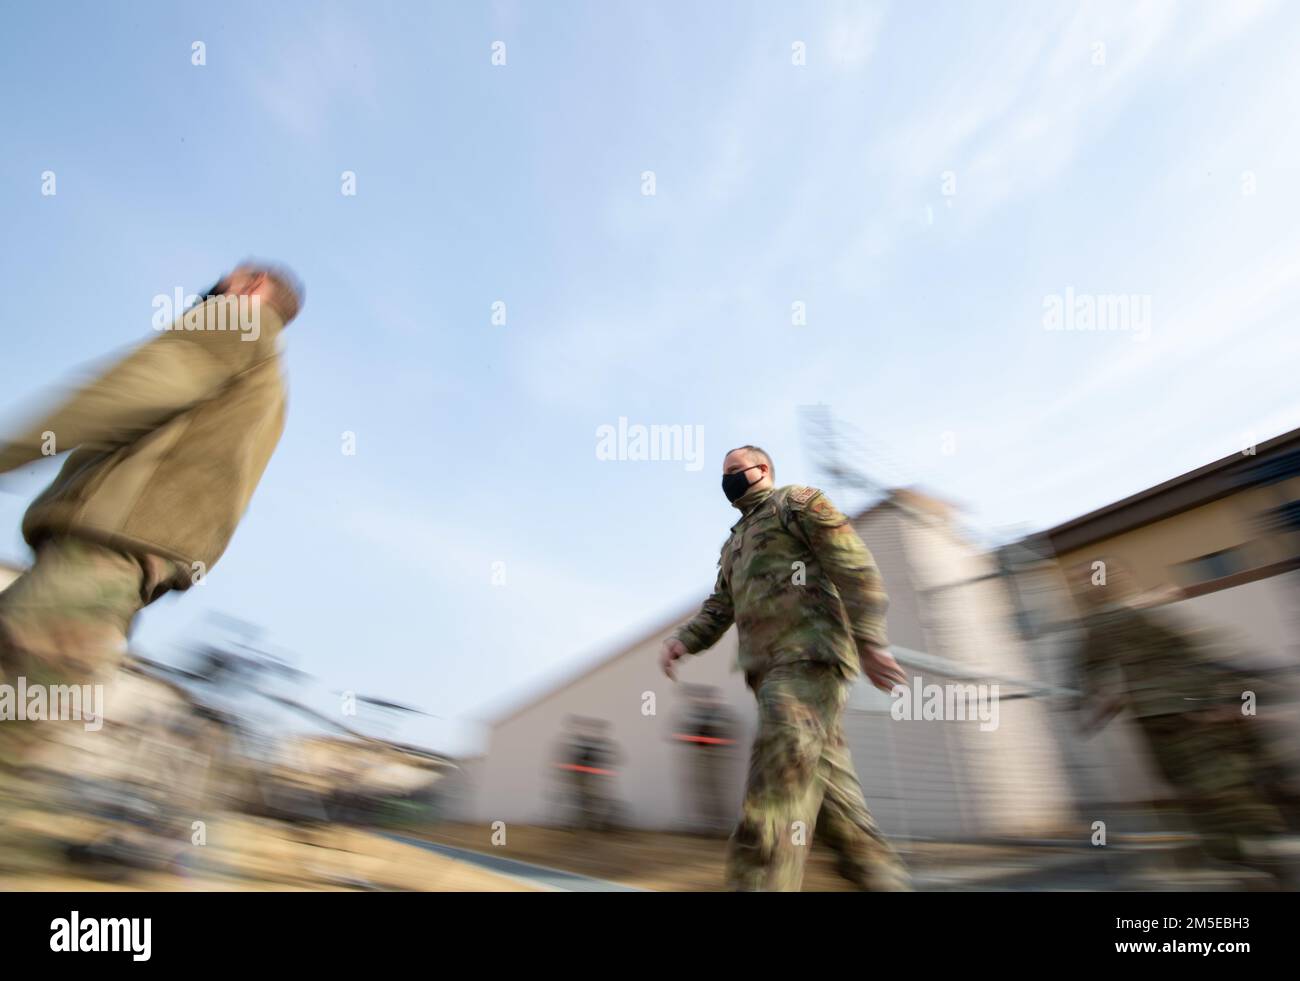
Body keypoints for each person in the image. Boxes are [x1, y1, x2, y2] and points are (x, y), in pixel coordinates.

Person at [0, 262, 302, 767]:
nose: (213, 287)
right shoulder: (271, 384)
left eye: (226, 279)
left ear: (251, 286)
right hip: (134, 570)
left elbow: (121, 393)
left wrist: (11, 451)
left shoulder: (235, 323)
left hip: (99, 556)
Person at [660, 445, 910, 891]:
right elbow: (720, 607)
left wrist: (872, 640)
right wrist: (684, 640)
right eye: (725, 474)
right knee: (838, 810)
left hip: (808, 660)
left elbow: (852, 565)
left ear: (763, 469)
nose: (729, 480)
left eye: (737, 470)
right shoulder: (733, 544)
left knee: (773, 795)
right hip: (770, 673)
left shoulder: (796, 503)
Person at [1071, 558, 1296, 888]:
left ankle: (1248, 856)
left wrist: (1094, 709)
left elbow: (1095, 674)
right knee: (1213, 790)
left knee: (1216, 790)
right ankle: (1248, 857)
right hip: (1177, 716)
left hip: (1183, 715)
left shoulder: (1123, 617)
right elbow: (1094, 675)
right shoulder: (1127, 616)